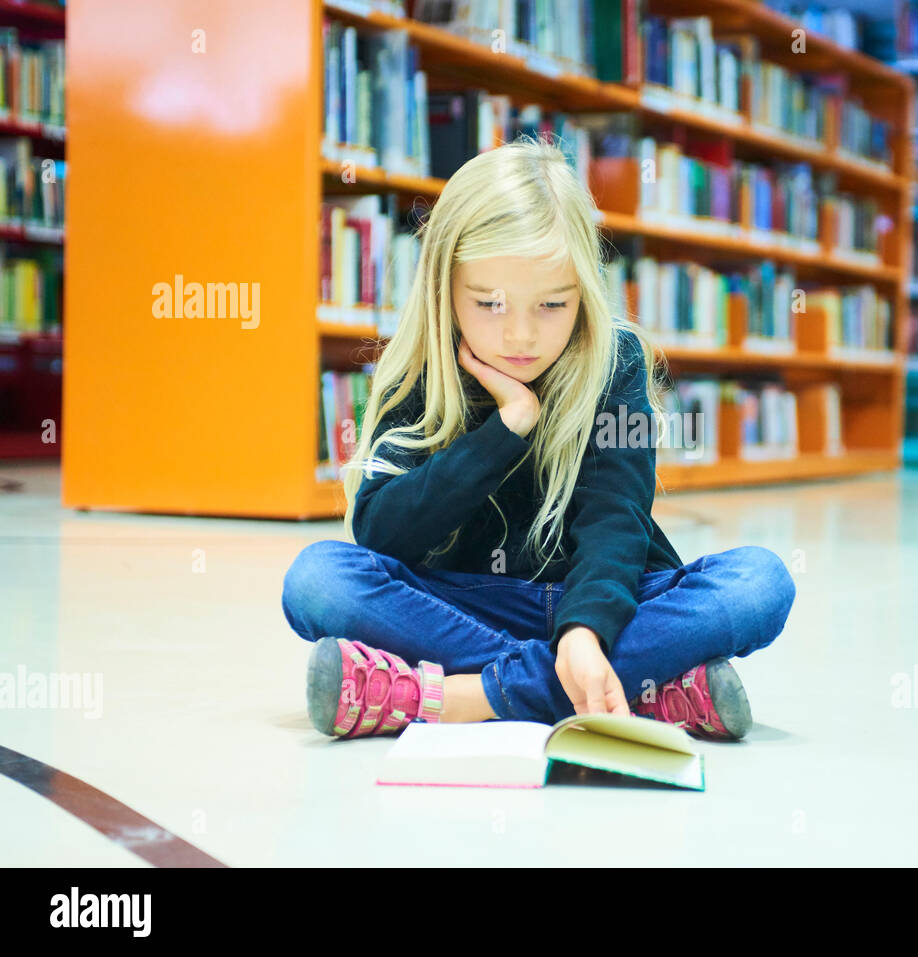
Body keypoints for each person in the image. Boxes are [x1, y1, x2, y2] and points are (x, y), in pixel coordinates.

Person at [281, 135, 796, 742]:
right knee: (317, 580)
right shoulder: (421, 365)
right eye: (490, 303)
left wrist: (584, 633)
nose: (520, 335)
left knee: (759, 582)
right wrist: (505, 430)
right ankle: (632, 689)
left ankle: (455, 696)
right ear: (445, 288)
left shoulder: (616, 360)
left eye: (553, 304)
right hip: (463, 605)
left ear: (585, 289)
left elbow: (616, 520)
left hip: (605, 605)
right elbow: (384, 534)